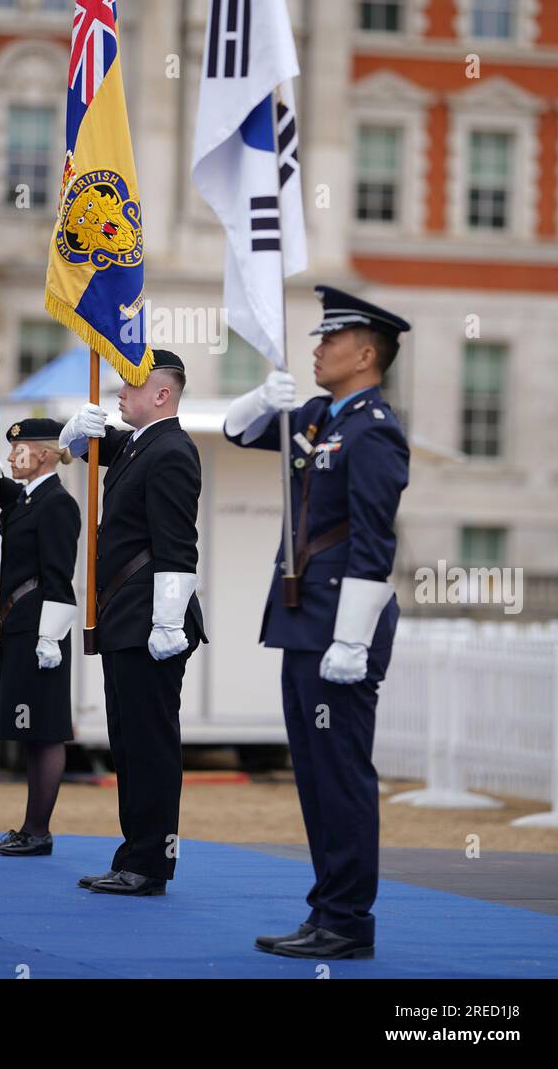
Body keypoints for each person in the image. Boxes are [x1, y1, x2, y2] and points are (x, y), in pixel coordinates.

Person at [224, 286, 411, 959]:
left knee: (339, 777)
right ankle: (326, 909)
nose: (316, 349)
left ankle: (346, 922)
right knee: (313, 776)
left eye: (329, 341)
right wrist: (260, 394)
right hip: (304, 623)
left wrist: (352, 640)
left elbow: (372, 540)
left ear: (365, 354)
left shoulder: (373, 429)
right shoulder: (317, 419)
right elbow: (236, 432)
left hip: (339, 631)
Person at [57, 349, 207, 896]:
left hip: (152, 623)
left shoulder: (171, 451)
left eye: (132, 385)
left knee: (150, 746)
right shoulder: (140, 445)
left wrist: (167, 622)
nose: (121, 391)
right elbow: (80, 449)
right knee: (128, 743)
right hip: (126, 617)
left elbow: (176, 545)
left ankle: (148, 864)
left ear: (162, 395)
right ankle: (134, 856)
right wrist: (76, 431)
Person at [0, 418, 80, 856]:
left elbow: (59, 573)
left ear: (47, 455)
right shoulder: (33, 498)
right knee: (31, 730)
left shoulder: (58, 504)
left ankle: (38, 832)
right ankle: (30, 827)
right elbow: (20, 510)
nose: (12, 456)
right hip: (21, 624)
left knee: (47, 730)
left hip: (41, 628)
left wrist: (50, 635)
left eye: (21, 450)